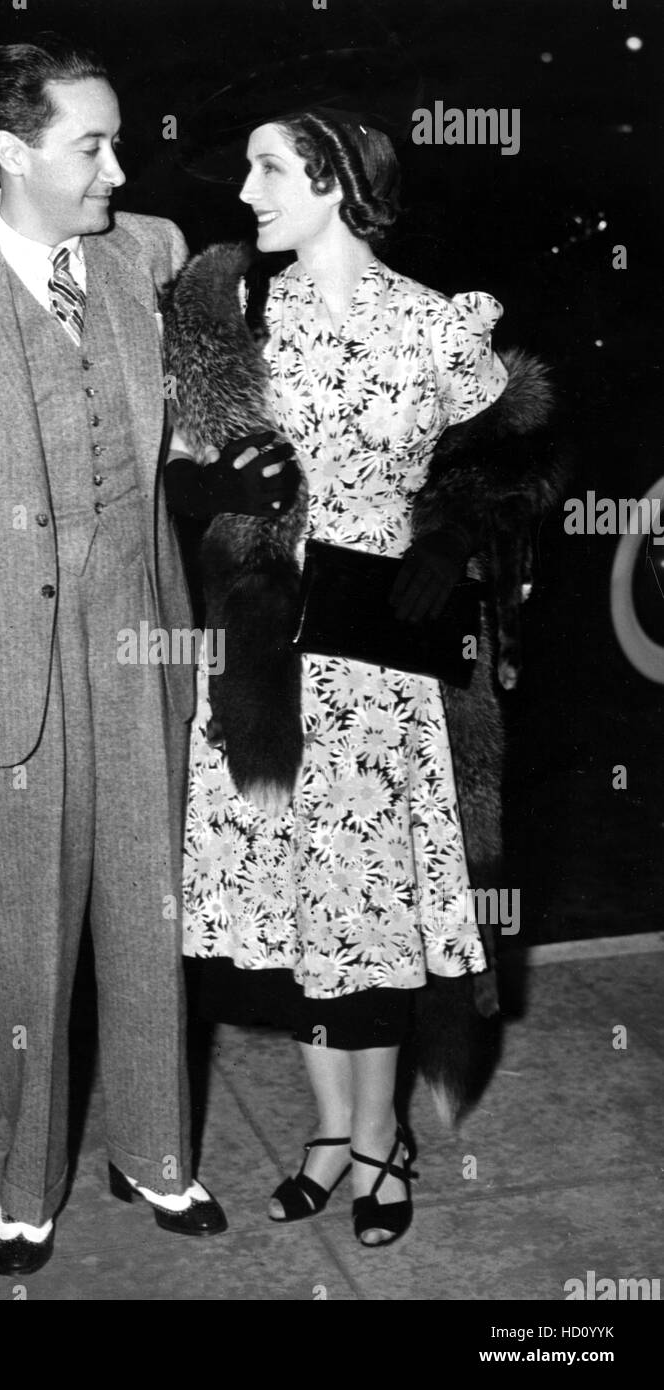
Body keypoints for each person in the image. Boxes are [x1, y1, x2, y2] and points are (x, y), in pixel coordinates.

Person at [0, 36, 291, 1276]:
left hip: (143, 644)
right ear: (13, 152)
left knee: (154, 915)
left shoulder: (145, 252)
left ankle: (154, 1153)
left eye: (116, 137)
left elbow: (199, 423)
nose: (116, 161)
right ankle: (27, 1182)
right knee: (27, 933)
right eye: (89, 142)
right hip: (3, 661)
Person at [163, 107, 561, 1246]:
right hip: (264, 657)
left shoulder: (436, 328)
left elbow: (522, 459)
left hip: (381, 660)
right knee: (298, 908)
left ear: (336, 182)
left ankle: (380, 1137)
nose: (245, 192)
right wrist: (228, 493)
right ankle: (327, 1132)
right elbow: (180, 468)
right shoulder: (236, 315)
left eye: (269, 169)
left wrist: (454, 534)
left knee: (368, 910)